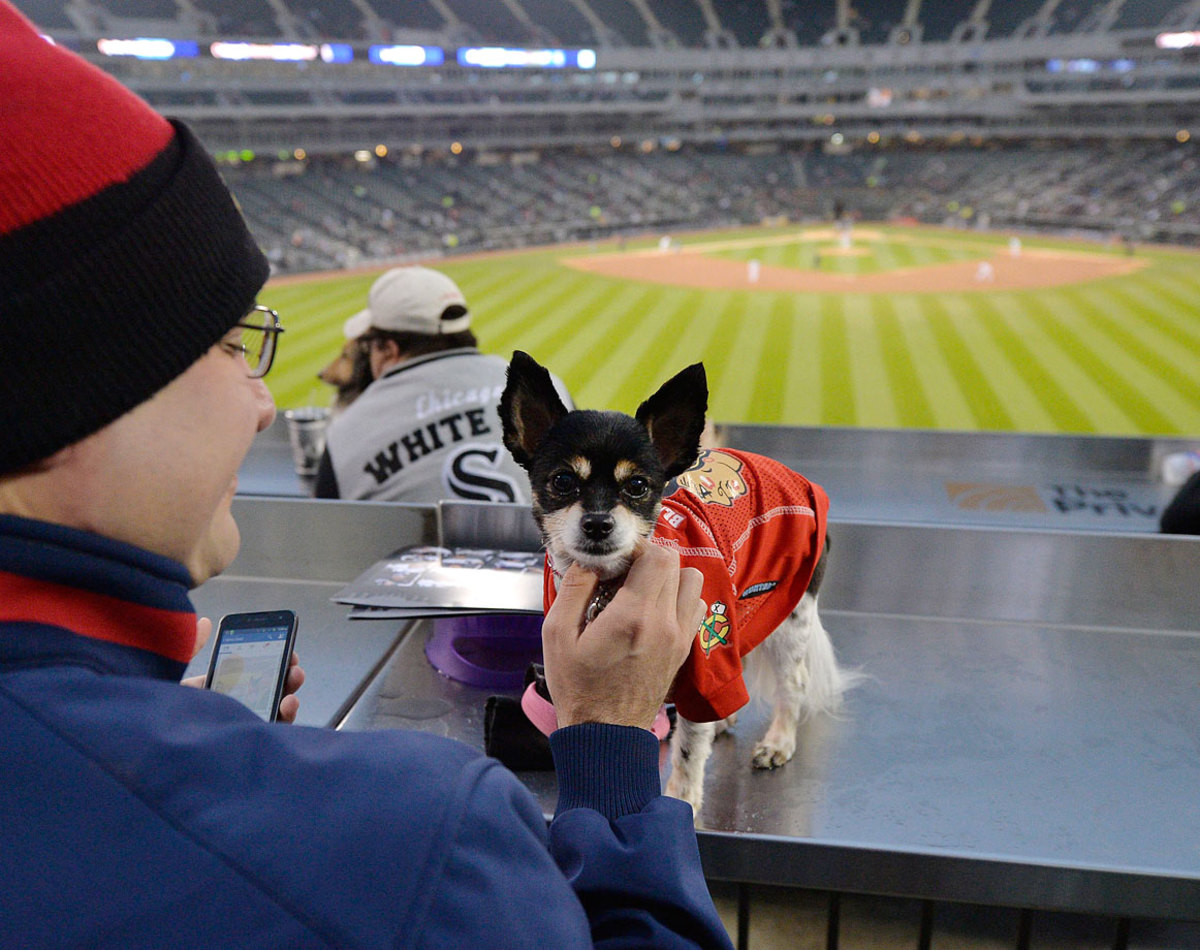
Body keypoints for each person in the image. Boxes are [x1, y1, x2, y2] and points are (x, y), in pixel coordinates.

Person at [0, 7, 733, 948]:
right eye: (230, 345)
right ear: (69, 392)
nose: (262, 405)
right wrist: (617, 741)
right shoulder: (427, 839)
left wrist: (121, 730)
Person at [313, 266, 572, 503]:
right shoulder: (547, 389)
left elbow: (330, 530)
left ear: (388, 350)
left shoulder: (346, 433)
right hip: (540, 553)